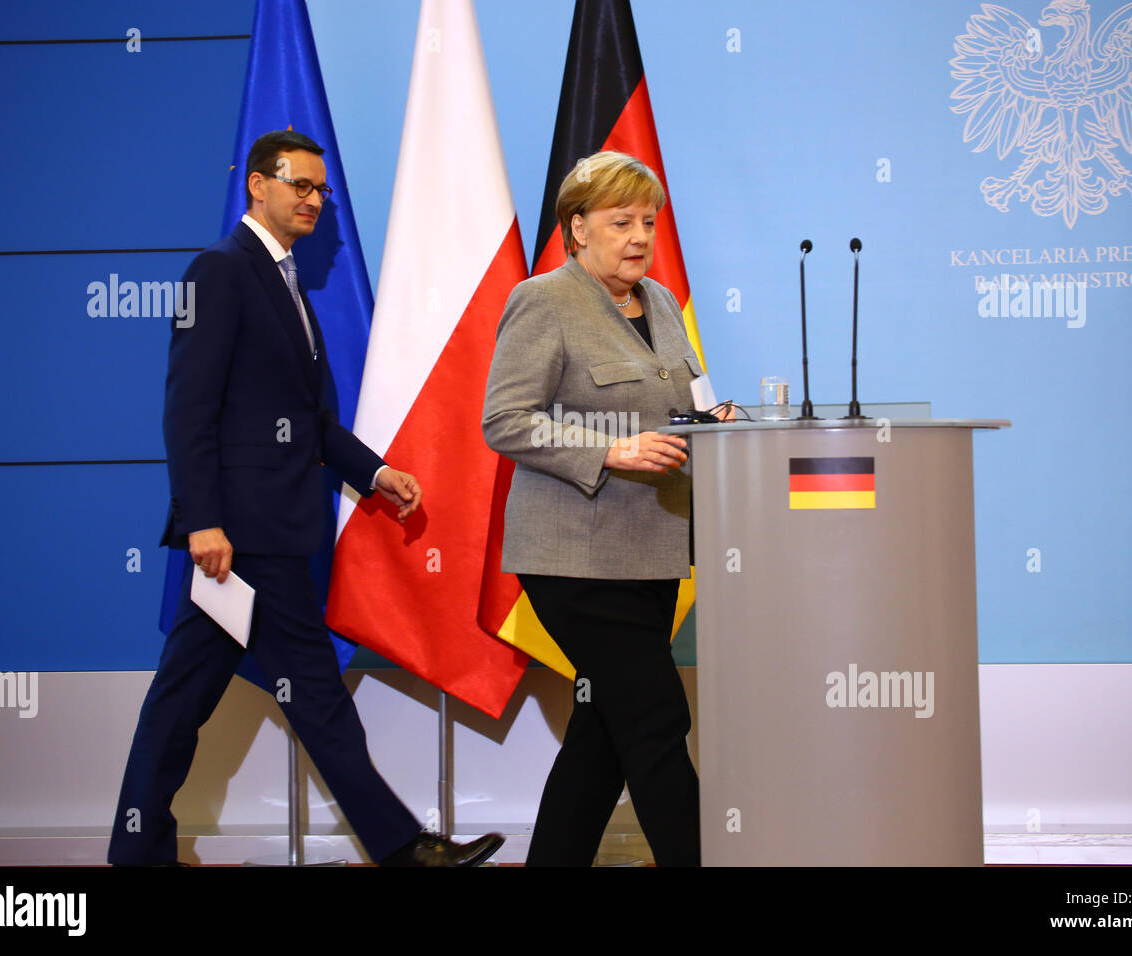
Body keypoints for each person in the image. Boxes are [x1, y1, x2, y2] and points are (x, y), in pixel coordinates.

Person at [108, 129, 502, 867]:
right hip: (245, 538)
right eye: (301, 185)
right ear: (259, 185)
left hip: (272, 532)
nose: (316, 200)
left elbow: (312, 421)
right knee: (311, 693)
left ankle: (136, 853)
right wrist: (205, 521)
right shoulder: (220, 273)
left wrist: (376, 473)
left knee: (183, 701)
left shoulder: (286, 282)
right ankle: (401, 849)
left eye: (321, 189)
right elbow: (188, 410)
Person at [483, 150, 709, 866]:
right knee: (654, 720)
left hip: (654, 551)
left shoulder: (663, 302)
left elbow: (687, 404)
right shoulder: (544, 300)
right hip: (574, 559)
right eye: (622, 222)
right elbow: (506, 421)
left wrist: (717, 419)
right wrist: (611, 451)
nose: (641, 235)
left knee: (603, 729)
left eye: (648, 220)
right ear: (578, 229)